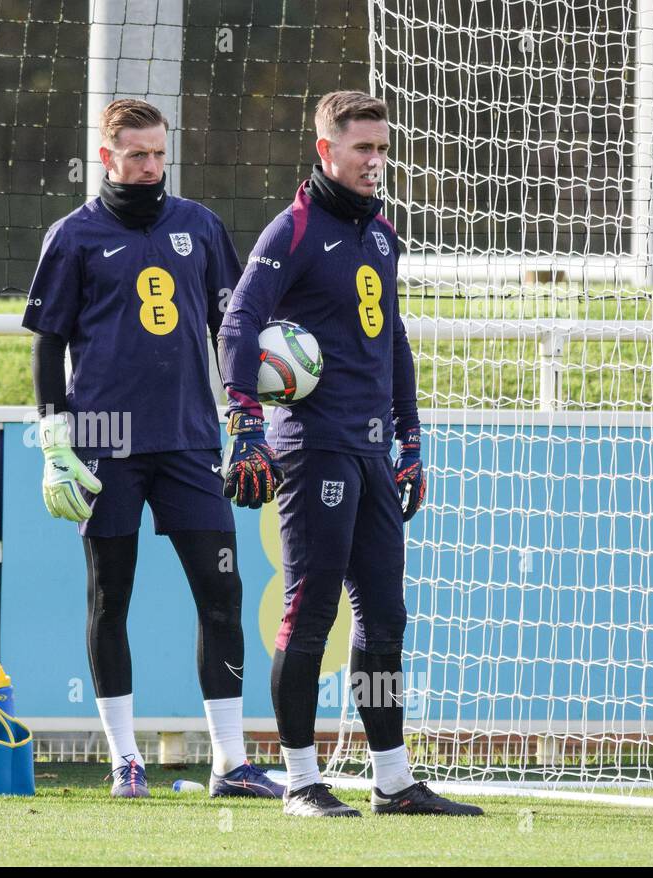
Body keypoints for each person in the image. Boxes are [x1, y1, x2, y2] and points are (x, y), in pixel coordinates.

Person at [218, 90, 482, 816]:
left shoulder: (382, 235)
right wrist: (243, 424)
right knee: (310, 614)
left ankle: (392, 781)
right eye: (363, 148)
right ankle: (301, 781)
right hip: (312, 450)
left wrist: (411, 441)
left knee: (385, 621)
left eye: (383, 148)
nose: (376, 161)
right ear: (325, 150)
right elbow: (239, 323)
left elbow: (392, 341)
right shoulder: (293, 230)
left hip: (370, 452)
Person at [23, 98, 282, 799]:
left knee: (222, 593)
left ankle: (230, 761)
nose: (150, 166)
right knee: (111, 597)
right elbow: (48, 343)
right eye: (137, 154)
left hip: (189, 442)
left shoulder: (198, 226)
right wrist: (53, 435)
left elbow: (232, 330)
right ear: (106, 156)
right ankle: (124, 758)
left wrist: (246, 416)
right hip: (105, 447)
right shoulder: (72, 236)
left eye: (159, 153)